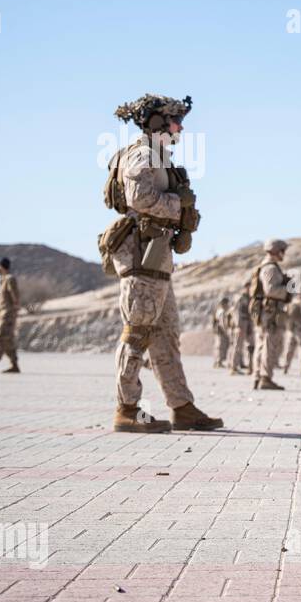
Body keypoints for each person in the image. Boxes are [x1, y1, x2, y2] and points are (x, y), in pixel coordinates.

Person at [103, 93, 222, 433]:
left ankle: (182, 407)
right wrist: (177, 204)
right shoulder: (142, 154)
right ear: (156, 123)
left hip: (155, 255)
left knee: (165, 334)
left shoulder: (158, 156)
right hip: (142, 255)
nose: (180, 128)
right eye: (175, 121)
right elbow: (140, 198)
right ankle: (126, 408)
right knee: (138, 332)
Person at [251, 239, 291, 390]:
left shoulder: (268, 267)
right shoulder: (270, 268)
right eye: (283, 251)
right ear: (277, 251)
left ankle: (259, 377)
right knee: (268, 345)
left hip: (267, 312)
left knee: (263, 345)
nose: (284, 254)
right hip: (270, 313)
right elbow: (271, 290)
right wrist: (288, 289)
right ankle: (265, 378)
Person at [281, 287, 301, 375]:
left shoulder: (291, 302)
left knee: (289, 348)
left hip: (290, 328)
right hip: (300, 328)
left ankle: (286, 366)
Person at [230, 291, 253, 375]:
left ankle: (251, 367)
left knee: (250, 347)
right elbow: (237, 312)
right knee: (238, 346)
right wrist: (238, 325)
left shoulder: (249, 297)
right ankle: (234, 367)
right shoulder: (240, 299)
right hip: (241, 324)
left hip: (248, 324)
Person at [211, 296, 232, 368]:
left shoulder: (219, 310)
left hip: (218, 330)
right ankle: (218, 362)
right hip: (220, 331)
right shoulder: (221, 311)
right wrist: (226, 331)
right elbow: (222, 323)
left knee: (218, 346)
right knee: (220, 346)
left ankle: (217, 361)